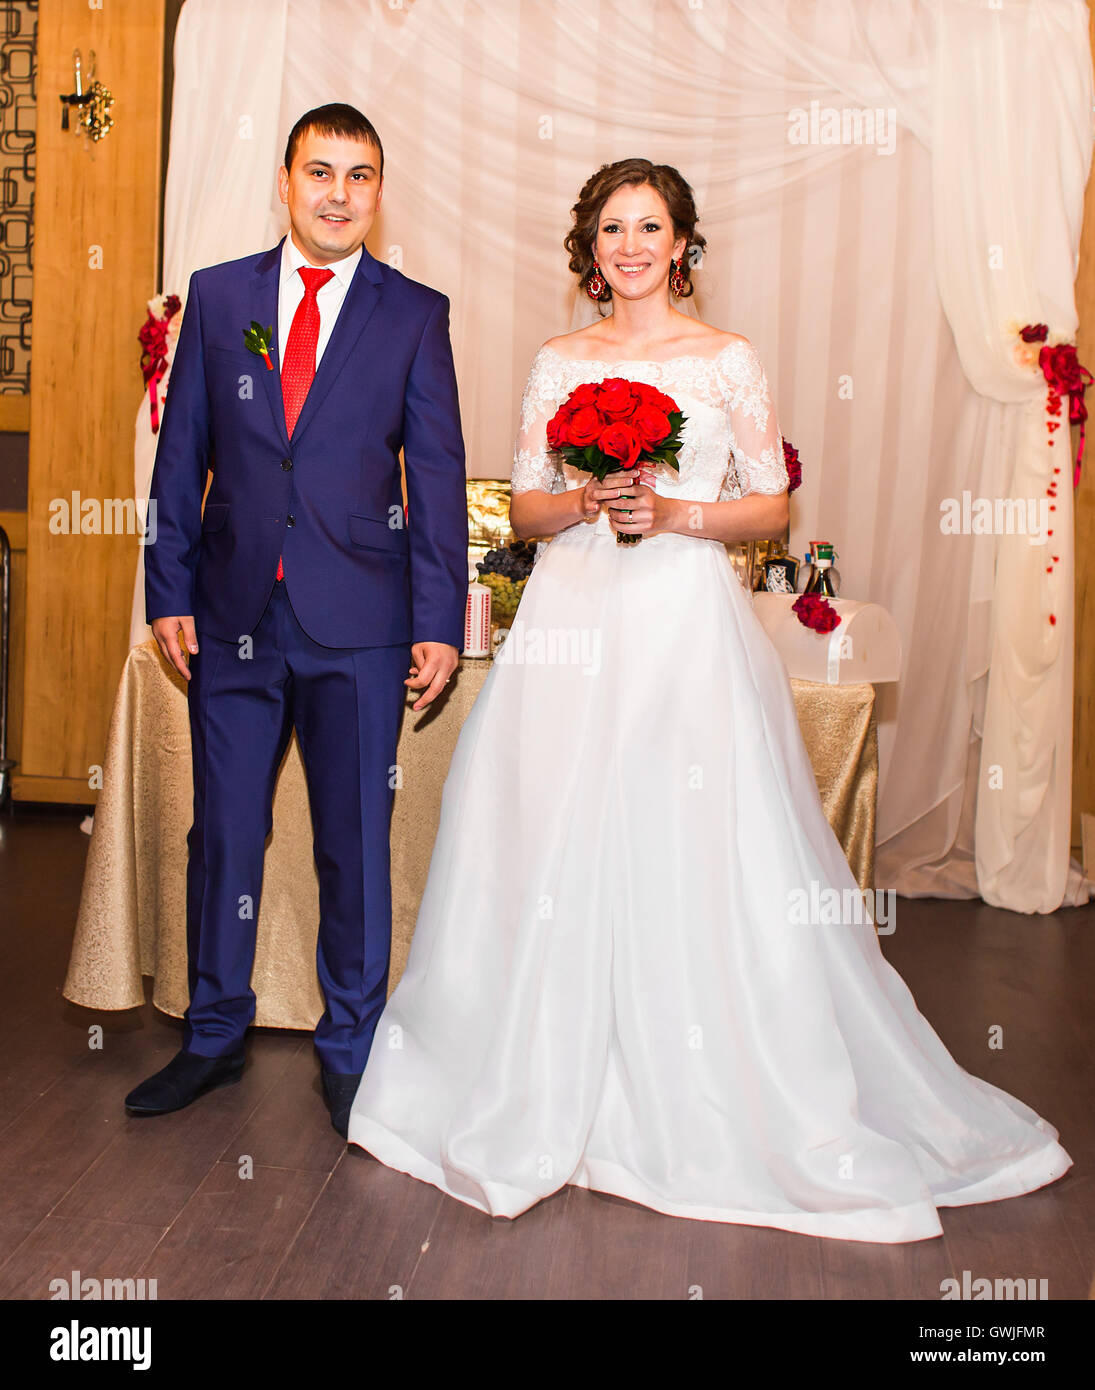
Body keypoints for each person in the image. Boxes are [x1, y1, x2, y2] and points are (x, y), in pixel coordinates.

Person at [347, 158, 1071, 1242]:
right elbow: (527, 513)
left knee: (688, 835)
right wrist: (591, 496)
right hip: (576, 616)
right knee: (547, 834)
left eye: (649, 227)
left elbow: (770, 502)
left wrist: (678, 517)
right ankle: (538, 1076)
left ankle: (702, 1082)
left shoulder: (725, 358)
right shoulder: (558, 363)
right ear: (588, 250)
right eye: (610, 229)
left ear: (683, 242)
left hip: (683, 622)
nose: (629, 246)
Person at [126, 104, 469, 1138]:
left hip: (359, 620)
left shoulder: (414, 312)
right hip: (230, 613)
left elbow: (439, 474)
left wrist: (440, 615)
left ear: (378, 191)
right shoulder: (224, 296)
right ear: (285, 181)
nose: (337, 192)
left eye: (359, 175)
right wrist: (169, 588)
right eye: (319, 171)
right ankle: (215, 1036)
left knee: (353, 844)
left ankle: (351, 1050)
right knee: (224, 832)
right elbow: (183, 453)